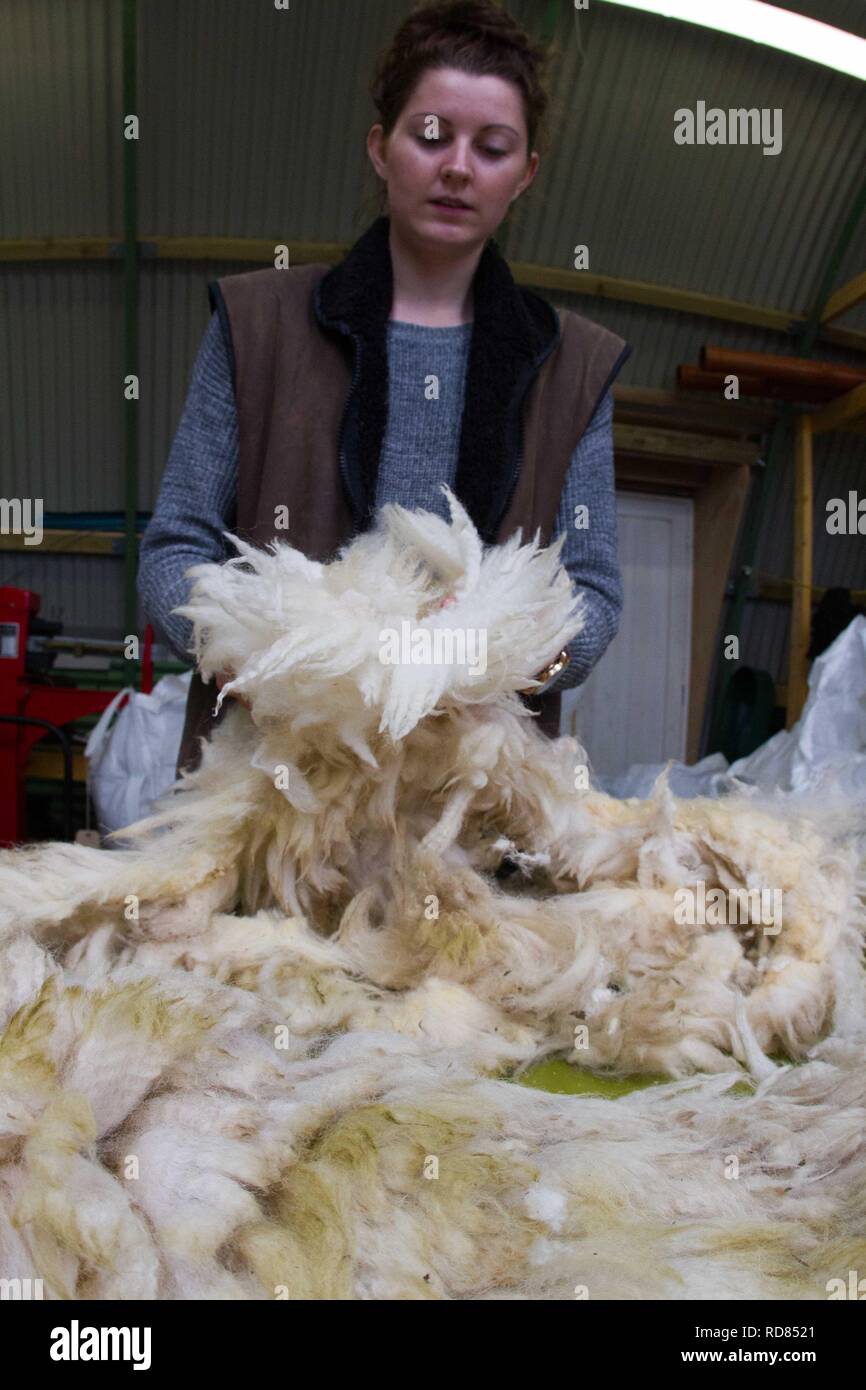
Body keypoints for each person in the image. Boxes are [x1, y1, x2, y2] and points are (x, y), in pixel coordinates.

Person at [138, 0, 632, 778]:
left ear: (527, 172)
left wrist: (489, 659)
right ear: (382, 147)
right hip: (274, 791)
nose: (458, 166)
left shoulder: (571, 366)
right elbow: (175, 547)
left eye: (494, 147)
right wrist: (276, 658)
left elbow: (595, 594)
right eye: (431, 135)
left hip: (471, 802)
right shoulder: (257, 324)